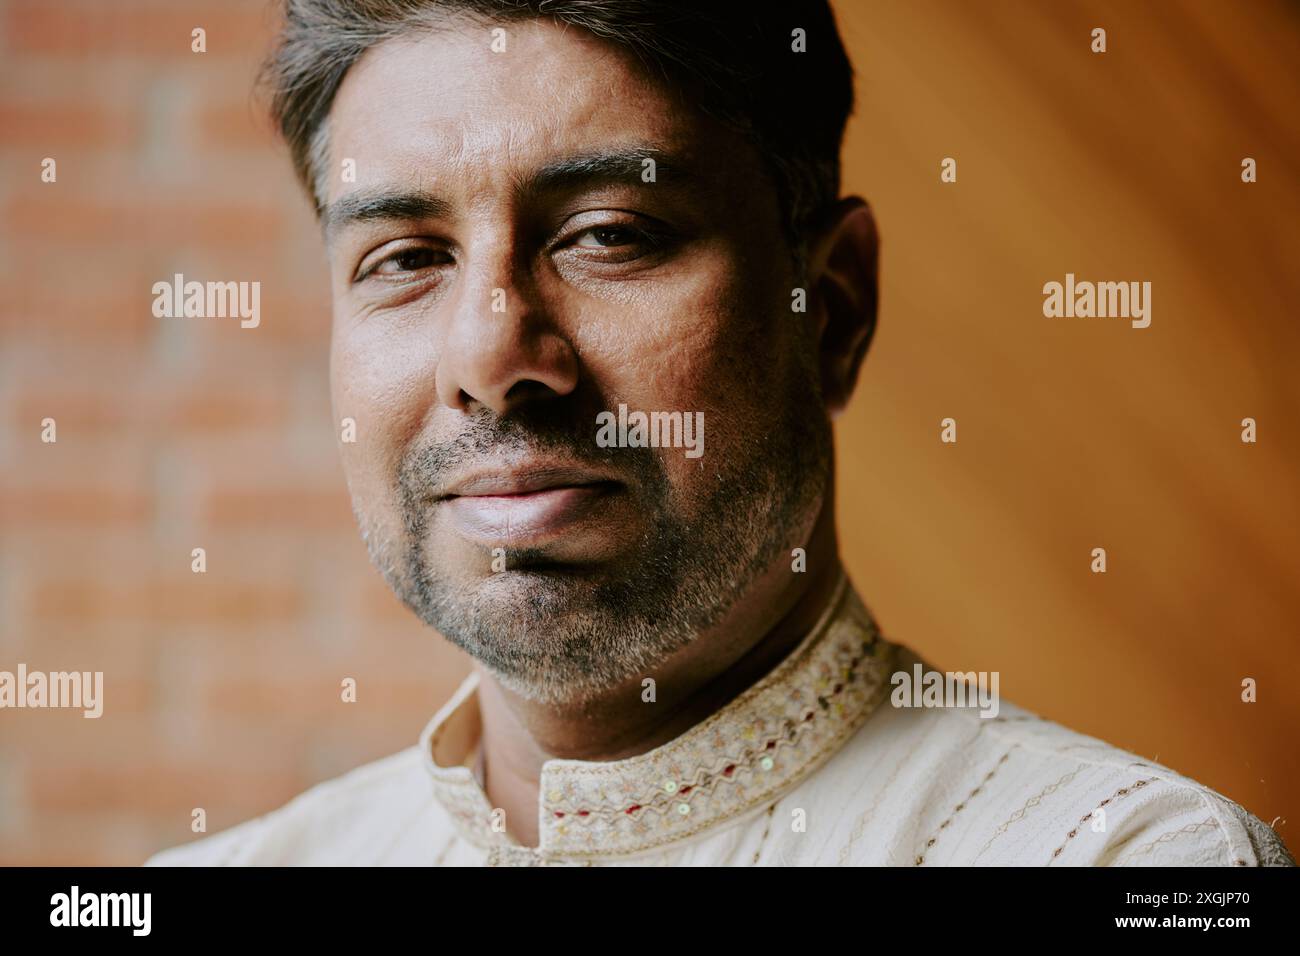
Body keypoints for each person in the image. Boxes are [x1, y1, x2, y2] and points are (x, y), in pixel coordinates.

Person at [147, 0, 1293, 866]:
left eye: (609, 233)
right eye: (404, 258)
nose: (491, 359)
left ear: (832, 308)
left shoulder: (1128, 860)